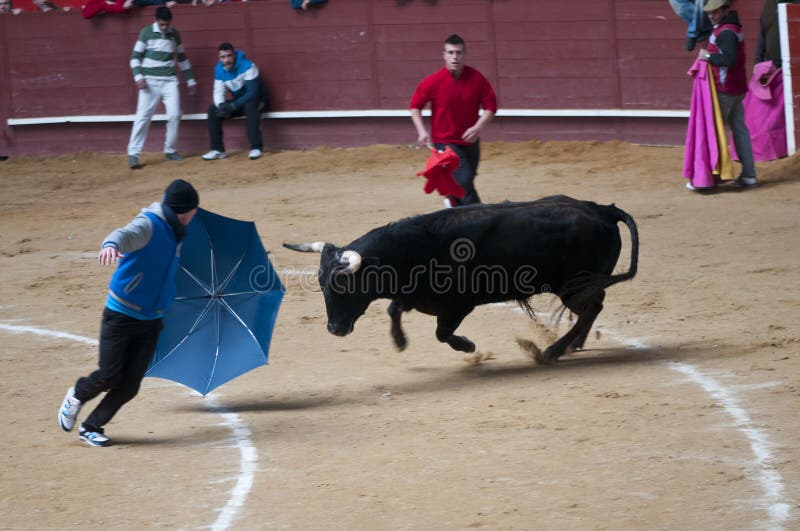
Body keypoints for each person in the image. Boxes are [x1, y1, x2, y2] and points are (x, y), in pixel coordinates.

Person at [58, 179, 199, 447]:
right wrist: (110, 245)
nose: (195, 215)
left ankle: (91, 426)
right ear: (185, 211)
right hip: (121, 315)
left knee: (130, 385)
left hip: (151, 318)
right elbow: (123, 234)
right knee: (110, 375)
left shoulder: (177, 233)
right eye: (194, 210)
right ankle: (77, 394)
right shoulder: (150, 224)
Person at [409, 34, 497, 207]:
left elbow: (490, 107)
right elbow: (415, 106)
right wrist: (421, 130)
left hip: (470, 139)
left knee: (467, 178)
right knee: (464, 180)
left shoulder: (477, 78)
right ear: (444, 55)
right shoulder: (433, 81)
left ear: (464, 54)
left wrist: (478, 127)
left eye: (458, 53)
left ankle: (453, 202)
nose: (455, 57)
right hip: (445, 141)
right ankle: (479, 216)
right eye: (450, 53)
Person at [126, 6, 197, 169]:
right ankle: (133, 154)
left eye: (167, 24)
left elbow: (182, 57)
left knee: (175, 114)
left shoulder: (174, 34)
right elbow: (135, 57)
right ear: (156, 21)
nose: (164, 28)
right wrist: (138, 77)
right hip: (149, 81)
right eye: (162, 25)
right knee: (143, 117)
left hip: (170, 81)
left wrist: (190, 80)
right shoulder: (146, 32)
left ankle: (170, 150)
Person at [696, 0, 756, 188]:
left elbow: (729, 59)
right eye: (709, 12)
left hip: (726, 90)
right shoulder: (730, 28)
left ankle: (710, 179)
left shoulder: (727, 31)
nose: (711, 15)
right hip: (736, 88)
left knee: (713, 133)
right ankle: (749, 176)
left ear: (725, 9)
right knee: (739, 132)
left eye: (715, 11)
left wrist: (708, 57)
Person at [202, 42, 269, 161]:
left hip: (258, 102)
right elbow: (218, 92)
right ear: (219, 58)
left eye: (229, 56)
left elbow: (252, 93)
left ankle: (256, 148)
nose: (227, 60)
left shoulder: (248, 66)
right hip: (238, 103)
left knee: (250, 104)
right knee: (213, 110)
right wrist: (221, 106)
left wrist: (234, 105)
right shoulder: (219, 69)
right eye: (223, 57)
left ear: (234, 55)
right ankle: (218, 150)